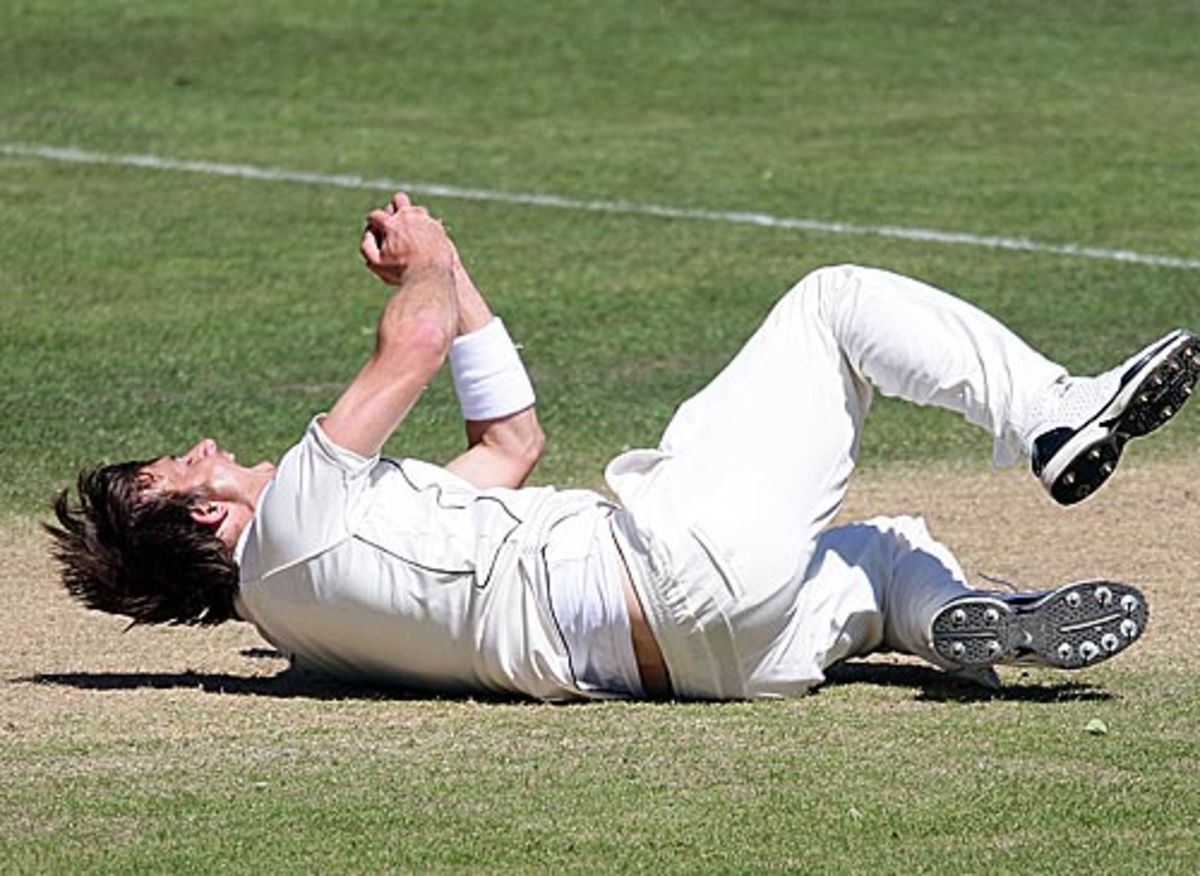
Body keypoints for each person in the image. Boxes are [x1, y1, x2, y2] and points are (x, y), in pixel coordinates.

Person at [47, 193, 1199, 701]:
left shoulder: (307, 629)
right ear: (206, 519)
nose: (204, 446)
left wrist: (459, 277)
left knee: (885, 556)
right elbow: (411, 344)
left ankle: (961, 626)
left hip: (705, 668)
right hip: (668, 558)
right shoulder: (297, 512)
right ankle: (1057, 417)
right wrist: (428, 258)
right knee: (835, 302)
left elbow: (510, 441)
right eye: (182, 466)